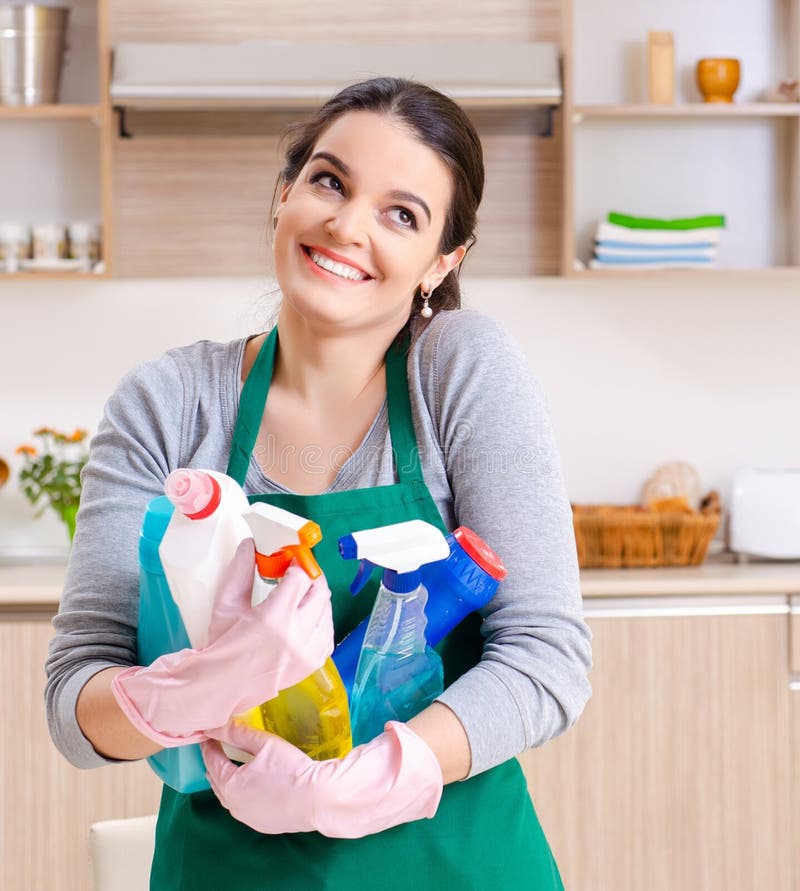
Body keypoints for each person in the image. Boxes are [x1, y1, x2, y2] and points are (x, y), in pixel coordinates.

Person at [45, 77, 592, 889]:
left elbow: (548, 658)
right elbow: (74, 701)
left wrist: (385, 773)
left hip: (458, 864)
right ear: (284, 194)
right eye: (329, 181)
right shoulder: (169, 404)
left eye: (401, 214)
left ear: (443, 261)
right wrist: (181, 694)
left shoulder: (459, 371)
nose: (345, 224)